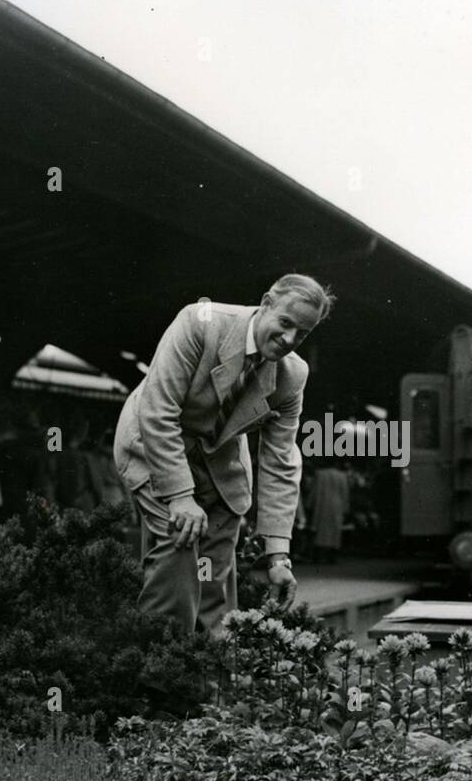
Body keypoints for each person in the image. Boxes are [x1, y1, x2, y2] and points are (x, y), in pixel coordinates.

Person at [114, 273, 335, 646]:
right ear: (266, 302)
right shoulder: (199, 323)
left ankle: (213, 676)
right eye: (285, 323)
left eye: (303, 333)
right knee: (180, 544)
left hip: (220, 462)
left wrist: (278, 557)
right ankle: (161, 668)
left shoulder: (293, 374)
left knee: (213, 572)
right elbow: (158, 409)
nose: (289, 340)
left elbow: (280, 459)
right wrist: (181, 496)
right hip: (152, 441)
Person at [310, 460, 350, 563]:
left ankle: (318, 555)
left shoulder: (319, 474)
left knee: (320, 530)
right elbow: (345, 493)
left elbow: (313, 491)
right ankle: (332, 555)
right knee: (335, 531)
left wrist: (309, 504)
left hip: (322, 504)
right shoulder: (342, 476)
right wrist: (345, 508)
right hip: (337, 506)